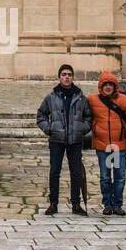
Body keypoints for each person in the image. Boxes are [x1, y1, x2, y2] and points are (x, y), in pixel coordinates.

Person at [36, 64, 92, 216]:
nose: (67, 77)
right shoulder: (51, 97)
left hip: (75, 140)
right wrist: (49, 129)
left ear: (72, 77)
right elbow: (41, 115)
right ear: (59, 77)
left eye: (69, 74)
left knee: (76, 173)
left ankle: (76, 204)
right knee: (55, 172)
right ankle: (53, 203)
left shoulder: (80, 97)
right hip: (57, 139)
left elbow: (89, 117)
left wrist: (82, 129)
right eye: (64, 74)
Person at [87, 71, 126, 216]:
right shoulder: (92, 100)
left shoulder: (125, 101)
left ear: (115, 86)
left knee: (119, 176)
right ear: (101, 86)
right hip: (103, 146)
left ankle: (117, 204)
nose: (108, 87)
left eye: (110, 85)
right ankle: (107, 203)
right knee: (105, 176)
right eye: (105, 85)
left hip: (118, 146)